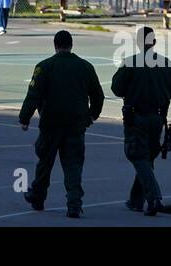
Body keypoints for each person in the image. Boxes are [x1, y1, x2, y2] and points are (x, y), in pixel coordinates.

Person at [18, 30, 105, 219]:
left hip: (51, 123)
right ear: (71, 45)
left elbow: (33, 95)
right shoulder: (86, 67)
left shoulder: (44, 67)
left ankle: (38, 197)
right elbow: (98, 95)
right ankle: (74, 204)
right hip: (76, 124)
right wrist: (92, 116)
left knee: (45, 162)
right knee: (73, 165)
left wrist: (25, 118)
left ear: (55, 45)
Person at [111, 26, 171, 216]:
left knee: (138, 156)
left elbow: (116, 88)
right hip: (158, 118)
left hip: (136, 117)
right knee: (147, 157)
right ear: (154, 42)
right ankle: (135, 200)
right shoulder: (166, 63)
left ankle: (154, 198)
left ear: (138, 42)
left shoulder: (130, 63)